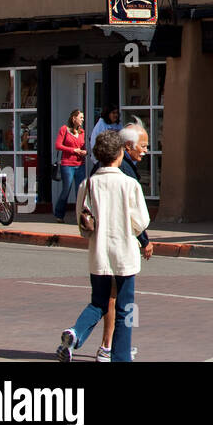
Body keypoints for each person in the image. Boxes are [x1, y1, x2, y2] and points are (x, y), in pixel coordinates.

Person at [54, 129, 149, 363]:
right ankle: (120, 356)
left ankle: (76, 332)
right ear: (119, 154)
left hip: (99, 255)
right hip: (124, 255)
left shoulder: (87, 184)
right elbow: (141, 222)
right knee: (125, 309)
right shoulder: (129, 184)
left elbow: (82, 222)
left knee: (98, 301)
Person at [92, 121, 154, 361]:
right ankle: (111, 348)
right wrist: (144, 241)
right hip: (119, 248)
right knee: (116, 299)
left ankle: (108, 345)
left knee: (108, 297)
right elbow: (136, 217)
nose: (146, 151)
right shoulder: (125, 175)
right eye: (143, 146)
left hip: (102, 248)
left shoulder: (99, 175)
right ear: (126, 147)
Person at [53, 109, 87, 222]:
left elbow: (83, 147)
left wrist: (84, 152)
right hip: (67, 164)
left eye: (83, 118)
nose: (82, 119)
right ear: (74, 118)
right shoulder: (64, 129)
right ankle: (59, 214)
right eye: (81, 117)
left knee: (80, 191)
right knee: (66, 189)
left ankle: (80, 216)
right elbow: (58, 145)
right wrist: (74, 150)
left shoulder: (82, 132)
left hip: (80, 164)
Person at [88, 106, 122, 181]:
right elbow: (94, 141)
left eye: (117, 113)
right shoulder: (101, 124)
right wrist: (98, 158)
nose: (115, 115)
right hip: (103, 159)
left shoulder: (118, 125)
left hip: (116, 158)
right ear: (108, 114)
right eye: (113, 113)